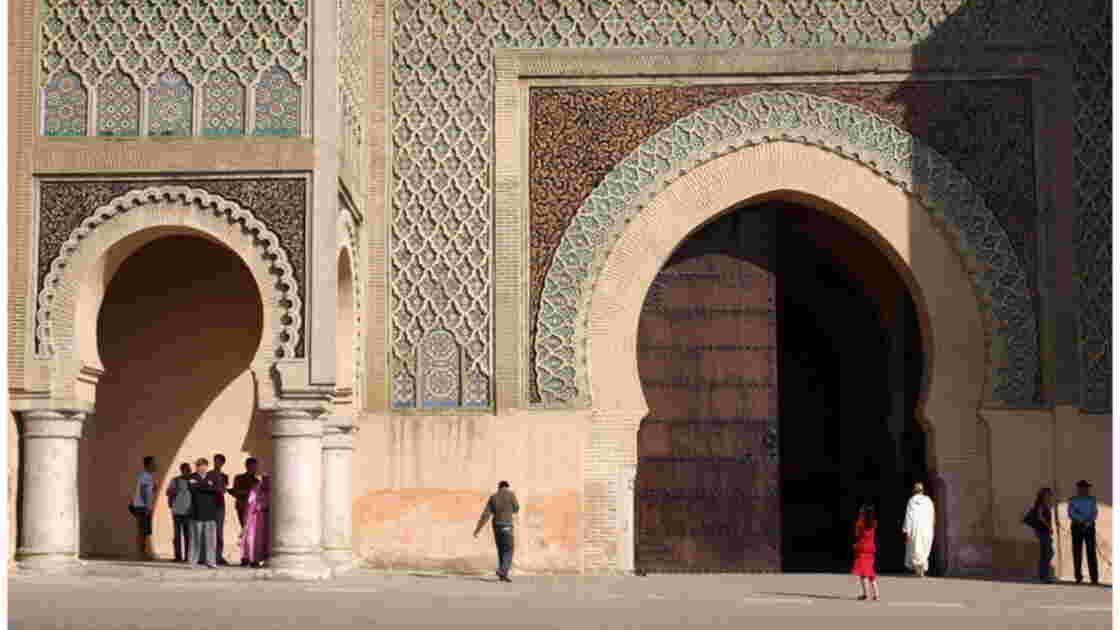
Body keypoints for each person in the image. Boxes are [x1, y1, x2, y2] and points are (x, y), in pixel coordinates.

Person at [473, 481, 520, 582]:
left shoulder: (493, 497)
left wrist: (477, 529)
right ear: (507, 487)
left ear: (499, 487)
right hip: (507, 525)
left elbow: (486, 514)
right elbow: (516, 509)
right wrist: (509, 510)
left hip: (496, 526)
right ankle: (502, 571)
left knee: (501, 550)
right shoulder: (511, 494)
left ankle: (503, 575)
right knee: (509, 549)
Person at [188, 458, 220, 569]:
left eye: (203, 466)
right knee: (195, 539)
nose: (201, 468)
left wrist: (201, 485)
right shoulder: (192, 477)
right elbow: (192, 488)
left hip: (210, 513)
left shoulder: (213, 476)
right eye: (198, 466)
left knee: (210, 539)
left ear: (207, 466)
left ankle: (210, 562)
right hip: (196, 513)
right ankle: (193, 562)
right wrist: (208, 485)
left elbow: (217, 489)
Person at [229, 457, 261, 567]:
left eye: (255, 466)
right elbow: (236, 491)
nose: (254, 468)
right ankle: (245, 557)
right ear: (247, 466)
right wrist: (248, 493)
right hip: (242, 508)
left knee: (253, 534)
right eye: (252, 466)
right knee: (245, 533)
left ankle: (252, 557)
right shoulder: (239, 478)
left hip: (253, 511)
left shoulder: (257, 481)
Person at [1068, 480, 1099, 585]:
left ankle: (1094, 578)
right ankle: (1078, 577)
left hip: (1089, 527)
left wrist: (1087, 522)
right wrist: (1081, 521)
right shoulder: (1073, 500)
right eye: (1083, 488)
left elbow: (1094, 513)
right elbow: (1071, 513)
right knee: (1077, 552)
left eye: (1086, 488)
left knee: (1091, 552)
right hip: (1077, 526)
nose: (1085, 490)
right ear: (1079, 489)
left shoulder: (1092, 500)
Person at [902, 481, 935, 577]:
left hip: (915, 529)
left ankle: (919, 571)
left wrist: (907, 531)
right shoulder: (928, 501)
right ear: (923, 490)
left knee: (915, 549)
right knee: (923, 549)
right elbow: (932, 515)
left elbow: (909, 517)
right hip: (926, 529)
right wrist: (932, 527)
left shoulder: (912, 501)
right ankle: (921, 571)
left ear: (914, 490)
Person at [129, 456, 157, 561]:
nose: (155, 465)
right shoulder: (145, 475)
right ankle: (141, 554)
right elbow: (142, 490)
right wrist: (146, 506)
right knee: (142, 531)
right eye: (153, 463)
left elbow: (147, 489)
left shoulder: (147, 476)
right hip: (142, 507)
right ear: (148, 465)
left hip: (142, 506)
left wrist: (153, 488)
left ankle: (143, 553)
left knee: (144, 531)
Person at [241, 474, 271, 568]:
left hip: (266, 518)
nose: (265, 481)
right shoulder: (256, 488)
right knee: (252, 538)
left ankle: (263, 558)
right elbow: (251, 502)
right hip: (255, 518)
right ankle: (250, 558)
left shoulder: (272, 489)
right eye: (264, 479)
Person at [852, 504, 880, 601]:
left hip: (862, 548)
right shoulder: (874, 523)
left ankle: (865, 594)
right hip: (871, 548)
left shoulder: (860, 523)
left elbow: (857, 535)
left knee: (863, 573)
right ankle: (876, 594)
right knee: (871, 571)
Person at [167, 462, 193, 562]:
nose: (189, 471)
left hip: (188, 511)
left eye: (189, 469)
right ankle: (178, 556)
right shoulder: (175, 480)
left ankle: (187, 556)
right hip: (177, 511)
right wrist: (173, 493)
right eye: (187, 469)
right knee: (177, 535)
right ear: (182, 470)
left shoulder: (192, 481)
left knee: (188, 535)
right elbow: (169, 492)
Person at [1029, 487, 1056, 583]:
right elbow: (1040, 517)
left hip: (1044, 531)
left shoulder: (1045, 504)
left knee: (1046, 553)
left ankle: (1043, 575)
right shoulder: (1041, 504)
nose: (1050, 496)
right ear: (1043, 495)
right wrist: (1049, 527)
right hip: (1042, 531)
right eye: (1048, 494)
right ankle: (1044, 576)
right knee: (1047, 553)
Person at [210, 454, 231, 565]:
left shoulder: (224, 476)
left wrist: (220, 488)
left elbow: (223, 490)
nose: (217, 463)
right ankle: (208, 555)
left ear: (223, 463)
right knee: (209, 531)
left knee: (219, 532)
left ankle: (218, 556)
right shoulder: (209, 474)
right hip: (209, 506)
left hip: (220, 506)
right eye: (215, 461)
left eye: (219, 461)